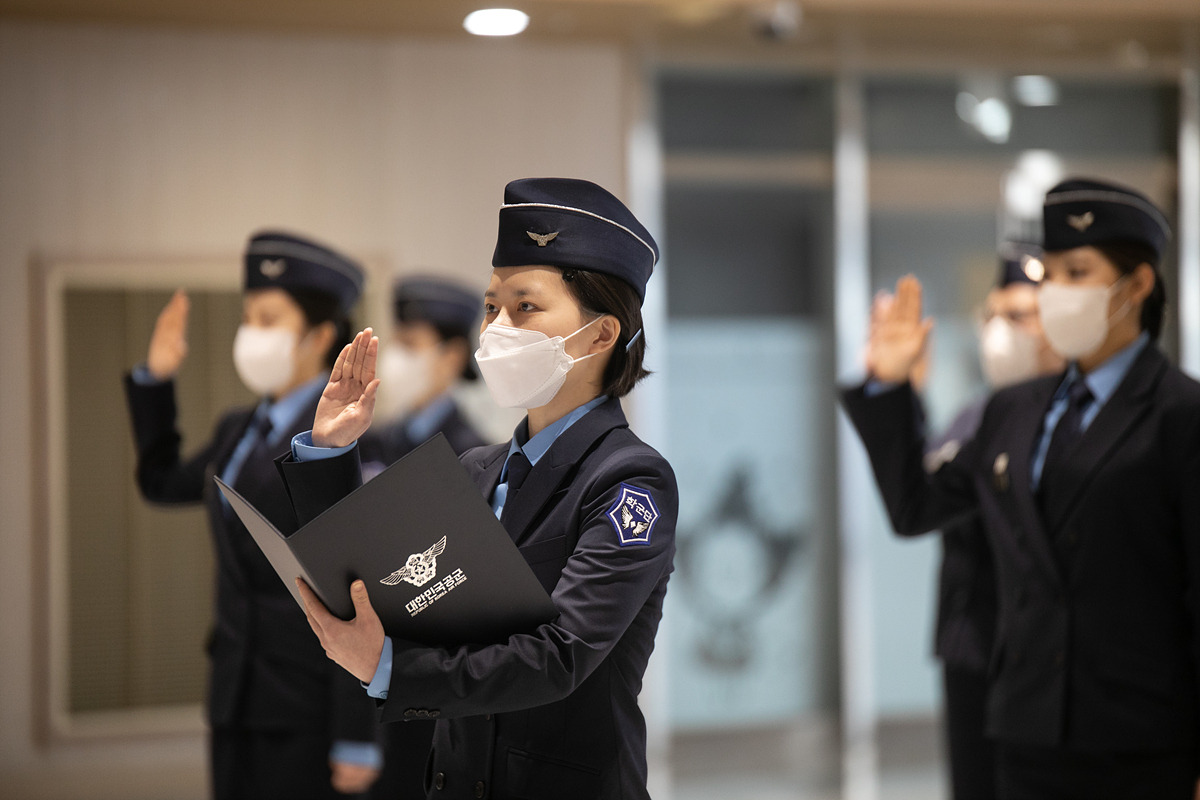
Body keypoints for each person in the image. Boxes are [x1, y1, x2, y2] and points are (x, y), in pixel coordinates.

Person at [274, 177, 677, 800]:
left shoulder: (628, 479)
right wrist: (331, 451)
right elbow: (363, 579)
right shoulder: (475, 470)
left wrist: (387, 669)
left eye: (526, 307)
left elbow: (559, 654)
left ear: (601, 335)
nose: (498, 329)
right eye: (492, 308)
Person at [841, 178, 1200, 799]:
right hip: (1026, 731)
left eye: (1078, 271)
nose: (1057, 291)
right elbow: (915, 505)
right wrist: (890, 389)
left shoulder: (1180, 414)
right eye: (1051, 272)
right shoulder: (1013, 410)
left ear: (1138, 285)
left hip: (1142, 739)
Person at [123, 231, 381, 799]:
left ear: (320, 335)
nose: (250, 333)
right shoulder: (237, 428)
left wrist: (358, 734)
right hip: (235, 694)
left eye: (268, 319)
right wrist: (156, 380)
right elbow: (162, 482)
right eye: (248, 317)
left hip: (307, 703)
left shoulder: (347, 444)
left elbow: (357, 588)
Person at [921, 246, 1063, 800]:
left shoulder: (1081, 418)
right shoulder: (974, 417)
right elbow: (920, 500)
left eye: (1018, 316)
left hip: (1049, 653)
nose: (999, 332)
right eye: (992, 316)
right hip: (973, 644)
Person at [362, 276, 487, 800]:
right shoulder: (370, 439)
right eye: (398, 341)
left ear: (450, 356)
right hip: (358, 665)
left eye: (411, 345)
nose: (396, 358)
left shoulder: (473, 457)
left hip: (426, 674)